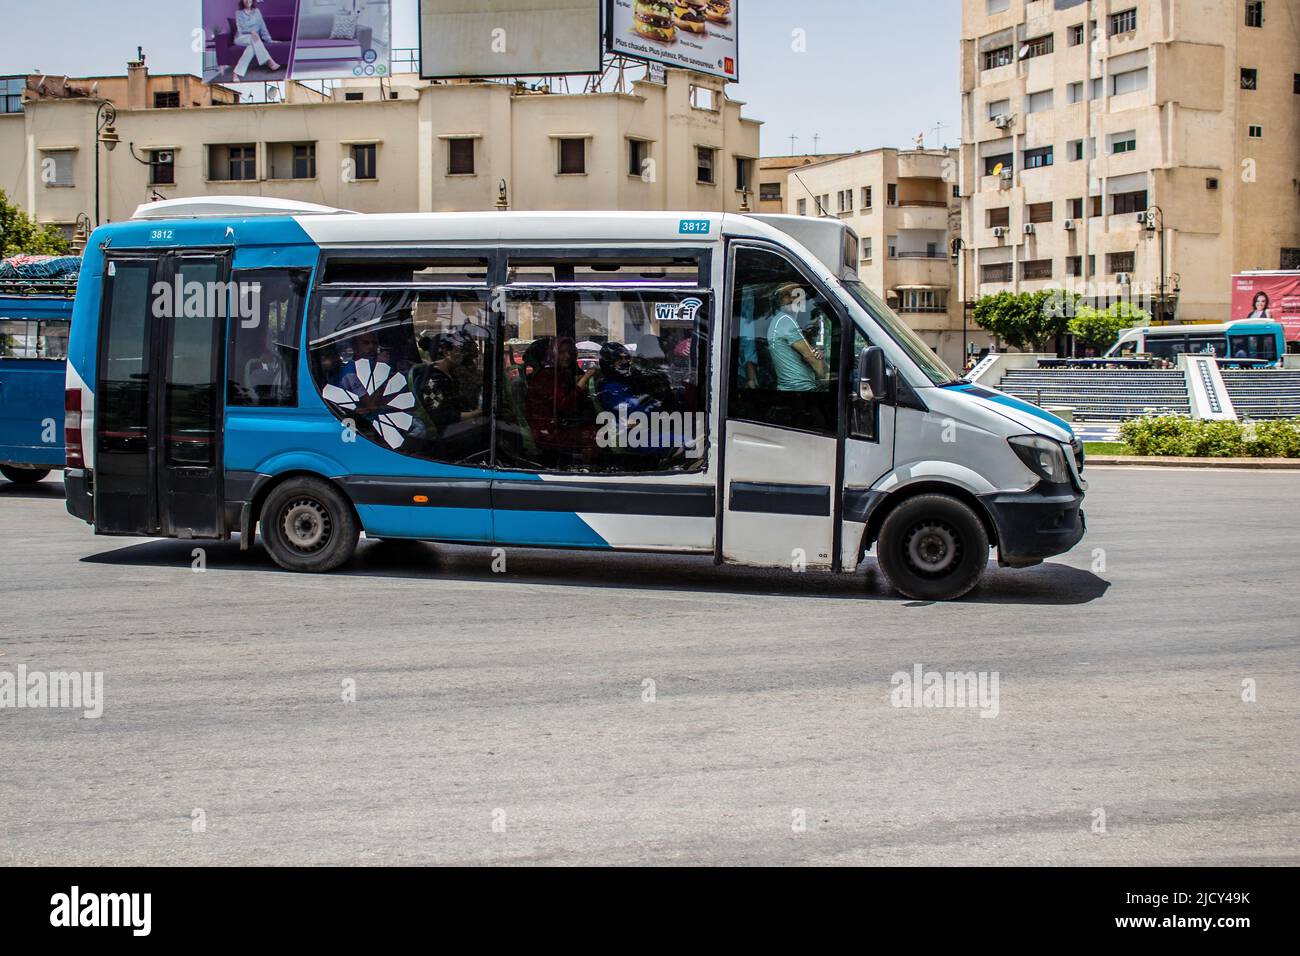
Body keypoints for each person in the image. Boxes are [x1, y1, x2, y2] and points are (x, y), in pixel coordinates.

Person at [525, 336, 598, 465]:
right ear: (552, 353)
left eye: (570, 352)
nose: (567, 356)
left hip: (558, 426)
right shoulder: (548, 376)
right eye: (562, 352)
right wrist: (583, 380)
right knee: (599, 435)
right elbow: (565, 406)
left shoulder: (561, 373)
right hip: (548, 433)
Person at [765, 282, 827, 391]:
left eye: (797, 295)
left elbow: (810, 357)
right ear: (778, 301)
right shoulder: (785, 320)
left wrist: (818, 357)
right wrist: (829, 374)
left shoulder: (781, 320)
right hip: (800, 389)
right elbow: (819, 369)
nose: (793, 299)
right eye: (787, 295)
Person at [231, 0, 281, 81]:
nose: (247, 1)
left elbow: (262, 27)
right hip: (241, 37)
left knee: (251, 49)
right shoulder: (238, 13)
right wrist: (251, 32)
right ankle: (269, 61)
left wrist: (269, 40)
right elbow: (241, 28)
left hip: (254, 38)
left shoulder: (257, 12)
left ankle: (235, 73)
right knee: (254, 37)